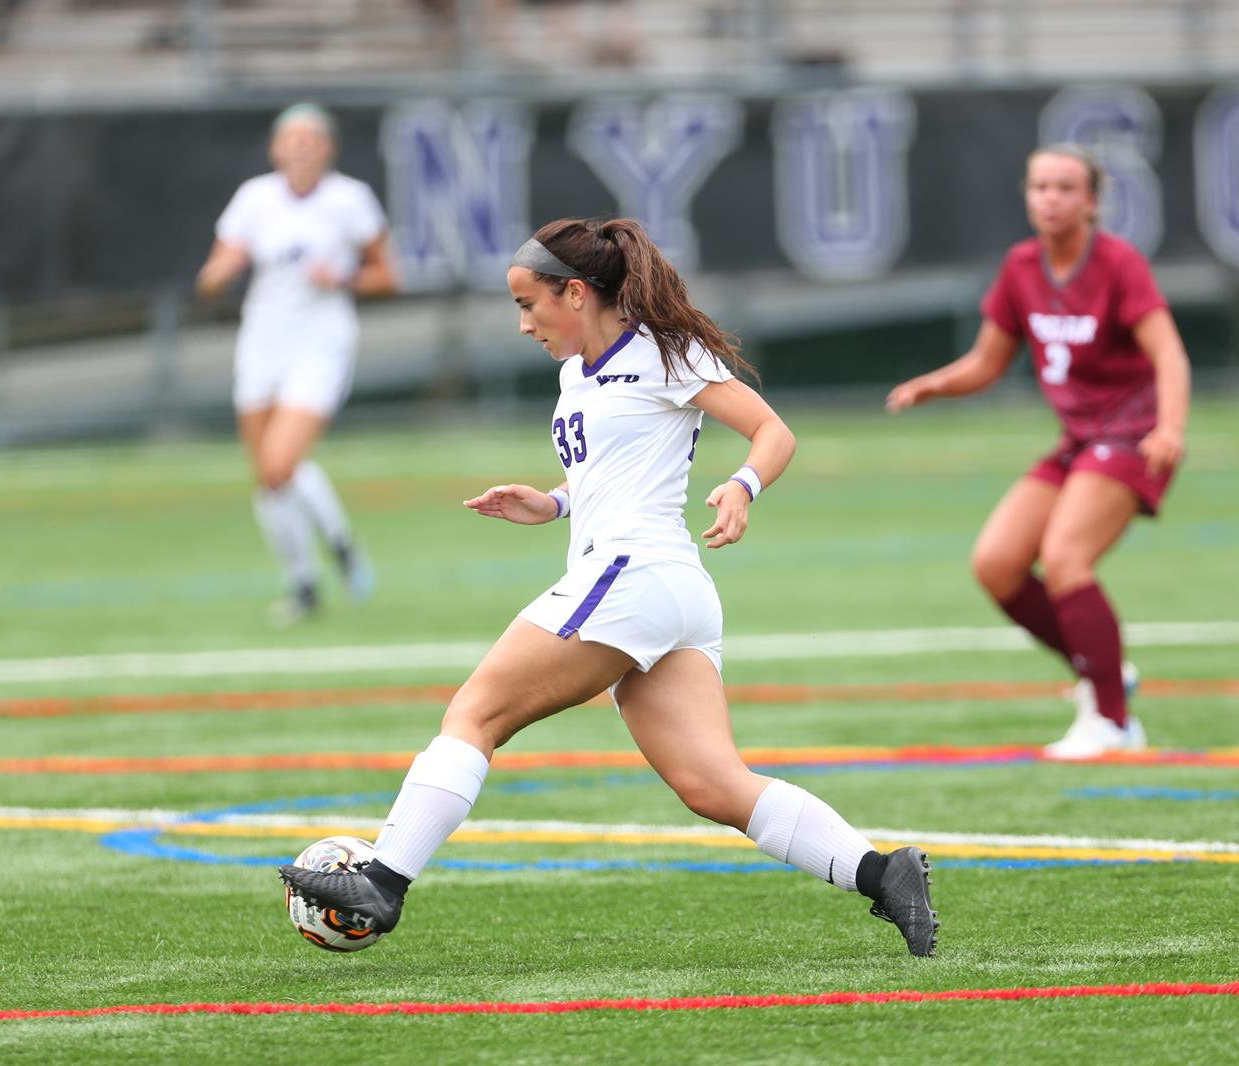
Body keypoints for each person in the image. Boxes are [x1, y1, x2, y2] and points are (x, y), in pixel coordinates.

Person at [282, 217, 938, 957]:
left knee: (475, 714)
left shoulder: (664, 353)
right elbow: (612, 473)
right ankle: (886, 875)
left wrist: (743, 485)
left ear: (575, 292)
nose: (524, 324)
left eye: (531, 305)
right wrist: (553, 502)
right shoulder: (575, 373)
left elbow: (773, 432)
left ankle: (383, 882)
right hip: (665, 591)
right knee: (713, 784)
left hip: (633, 576)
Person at [886, 144, 1191, 759]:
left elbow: (1169, 354)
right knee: (996, 564)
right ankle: (1102, 668)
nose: (1051, 198)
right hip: (1079, 441)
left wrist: (1172, 428)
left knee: (1065, 557)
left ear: (1092, 202)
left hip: (1133, 436)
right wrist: (934, 384)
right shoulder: (1022, 265)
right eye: (1040, 187)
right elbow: (988, 362)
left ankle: (1113, 720)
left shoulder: (1119, 264)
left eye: (1066, 187)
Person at [196, 103, 397, 625]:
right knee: (268, 479)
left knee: (280, 463)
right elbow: (212, 276)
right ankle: (303, 583)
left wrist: (346, 279)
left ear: (328, 149)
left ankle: (340, 543)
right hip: (263, 340)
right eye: (293, 141)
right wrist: (225, 268)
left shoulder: (349, 199)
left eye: (312, 141)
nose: (302, 150)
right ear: (276, 149)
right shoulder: (255, 198)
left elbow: (386, 275)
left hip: (320, 342)